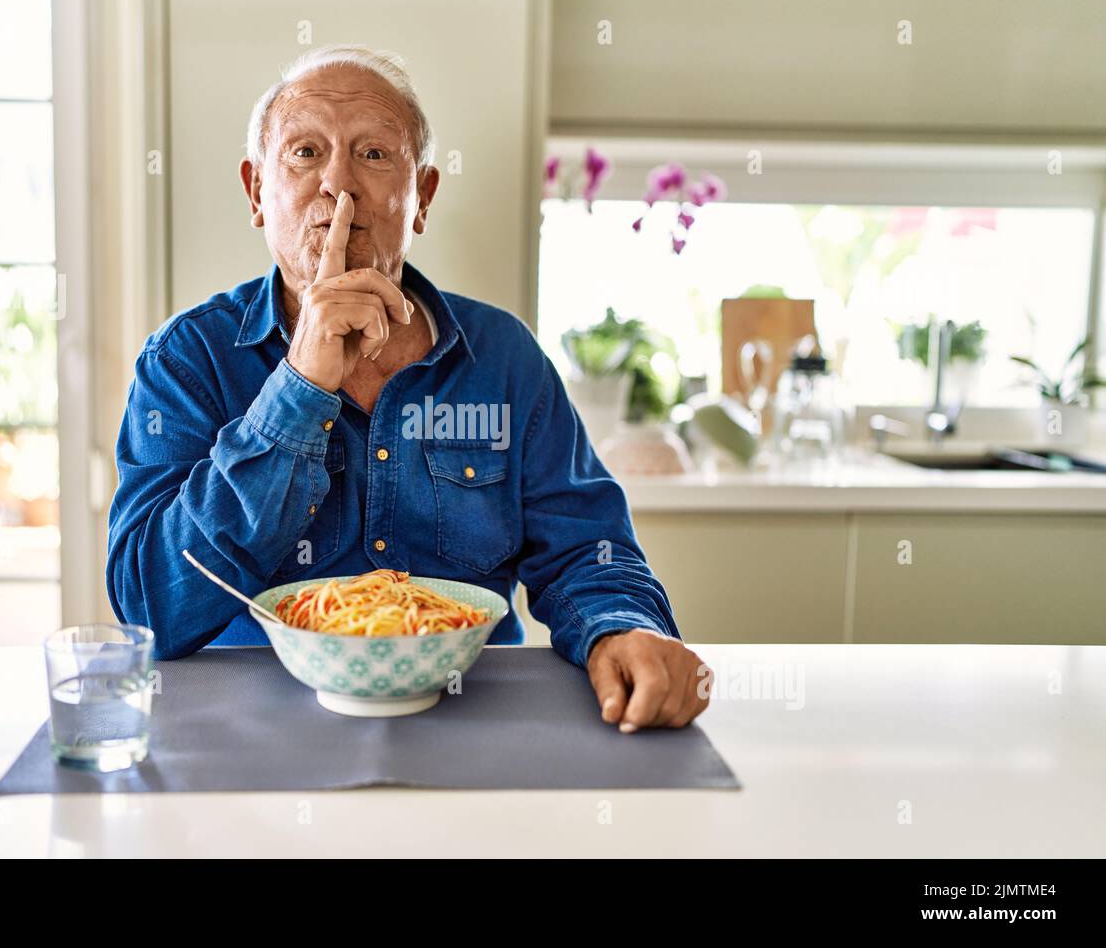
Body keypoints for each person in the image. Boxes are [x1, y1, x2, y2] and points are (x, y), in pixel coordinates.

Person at [106, 45, 711, 731]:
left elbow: (585, 547)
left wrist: (621, 627)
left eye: (373, 155)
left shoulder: (504, 357)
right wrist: (300, 389)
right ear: (255, 192)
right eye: (305, 152)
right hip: (248, 732)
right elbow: (149, 601)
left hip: (470, 724)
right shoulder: (187, 359)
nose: (338, 184)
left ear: (421, 196)